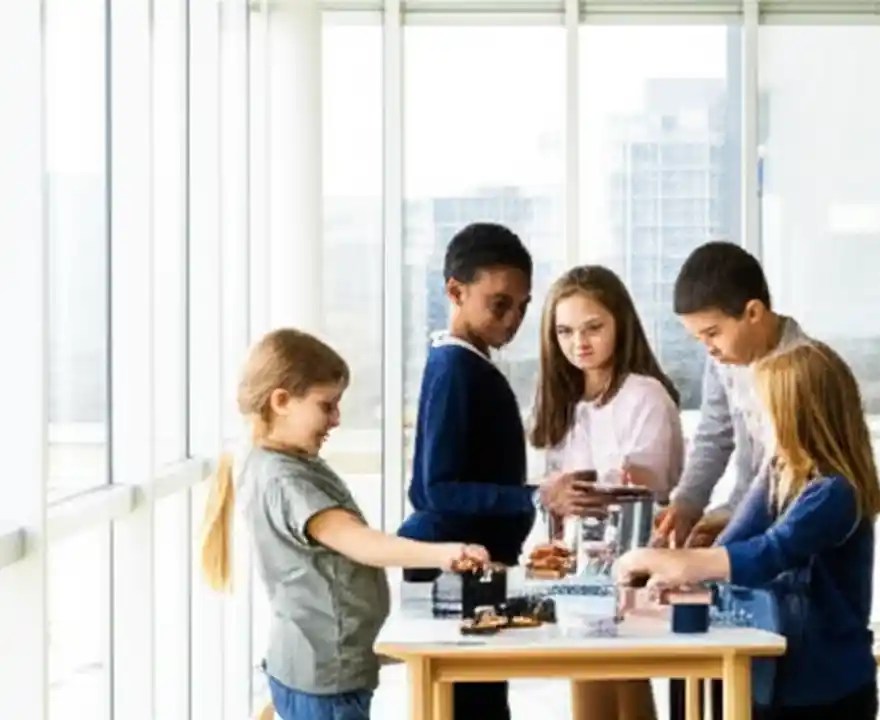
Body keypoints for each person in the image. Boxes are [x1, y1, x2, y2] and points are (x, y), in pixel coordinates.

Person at [200, 328, 490, 720]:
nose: (336, 419)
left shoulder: (278, 461)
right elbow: (358, 543)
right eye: (327, 405)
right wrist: (446, 554)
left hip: (313, 670)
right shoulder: (287, 480)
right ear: (281, 401)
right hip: (324, 678)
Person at [617, 340, 880, 720]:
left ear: (798, 416)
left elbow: (768, 553)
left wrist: (664, 560)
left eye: (763, 414)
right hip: (774, 677)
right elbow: (734, 542)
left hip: (826, 687)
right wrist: (678, 567)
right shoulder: (779, 472)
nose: (758, 426)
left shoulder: (835, 492)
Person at [655, 241, 812, 720]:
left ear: (753, 312)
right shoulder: (722, 359)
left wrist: (721, 538)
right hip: (745, 526)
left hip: (782, 546)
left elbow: (784, 481)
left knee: (761, 678)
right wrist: (688, 503)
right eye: (699, 339)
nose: (709, 349)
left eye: (712, 334)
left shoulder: (802, 371)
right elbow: (715, 435)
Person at [529, 265, 684, 720]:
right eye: (565, 331)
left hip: (633, 557)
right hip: (575, 562)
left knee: (626, 673)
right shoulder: (558, 401)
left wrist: (575, 486)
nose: (579, 342)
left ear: (620, 322)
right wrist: (551, 494)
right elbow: (547, 486)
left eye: (593, 327)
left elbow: (648, 479)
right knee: (586, 670)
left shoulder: (645, 394)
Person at [396, 222, 537, 720]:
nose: (513, 319)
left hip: (470, 565)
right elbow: (436, 489)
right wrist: (534, 498)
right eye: (500, 304)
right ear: (455, 291)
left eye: (522, 306)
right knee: (474, 707)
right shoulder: (458, 368)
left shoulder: (465, 362)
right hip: (457, 567)